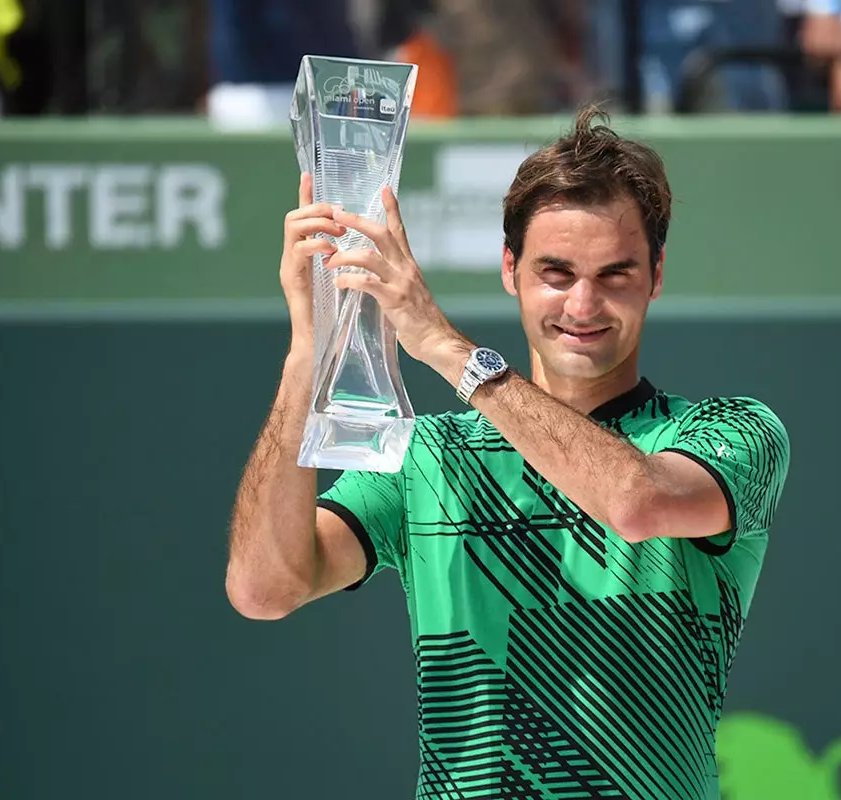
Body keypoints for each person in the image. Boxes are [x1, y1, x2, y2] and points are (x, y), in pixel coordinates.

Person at [225, 105, 791, 799]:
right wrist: (309, 352)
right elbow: (265, 589)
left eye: (615, 273)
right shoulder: (426, 457)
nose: (583, 304)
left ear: (656, 275)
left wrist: (445, 347)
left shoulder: (732, 432)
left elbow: (638, 503)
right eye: (557, 272)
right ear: (510, 269)